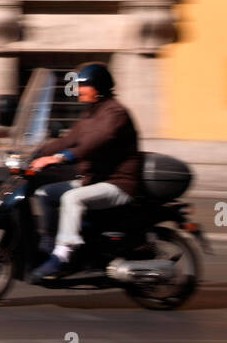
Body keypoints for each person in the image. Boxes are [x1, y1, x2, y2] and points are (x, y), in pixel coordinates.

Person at [27, 62, 142, 281]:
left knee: (72, 198)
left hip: (118, 183)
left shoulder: (115, 112)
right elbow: (68, 139)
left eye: (83, 85)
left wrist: (60, 158)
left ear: (98, 86)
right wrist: (34, 153)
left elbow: (96, 141)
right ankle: (49, 245)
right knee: (45, 193)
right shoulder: (90, 115)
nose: (78, 90)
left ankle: (63, 255)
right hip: (94, 180)